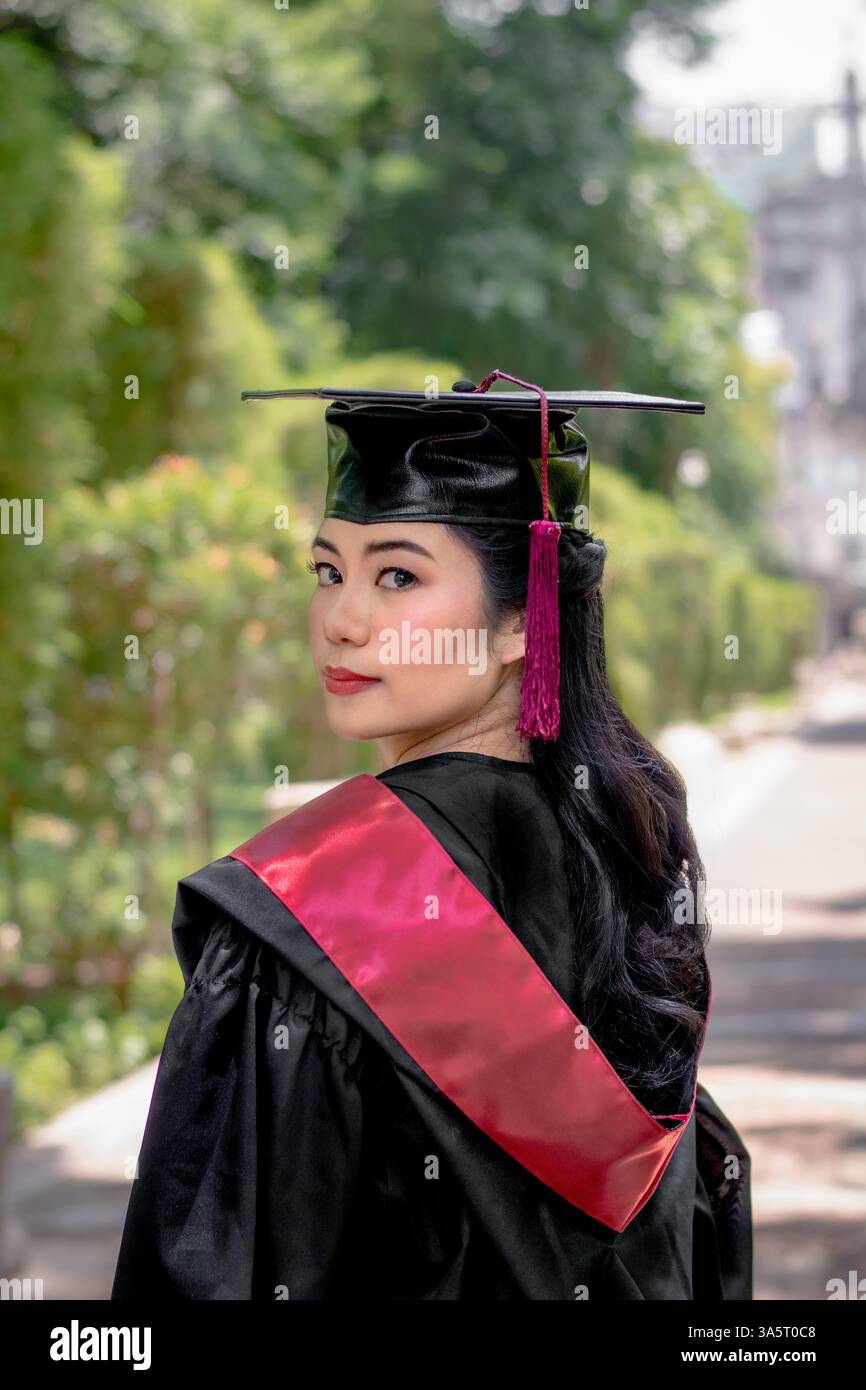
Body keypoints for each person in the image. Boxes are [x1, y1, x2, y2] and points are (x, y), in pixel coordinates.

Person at [111, 369, 753, 1301]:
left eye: (398, 575)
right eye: (329, 571)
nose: (342, 620)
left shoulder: (309, 916)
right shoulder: (630, 844)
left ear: (520, 622)